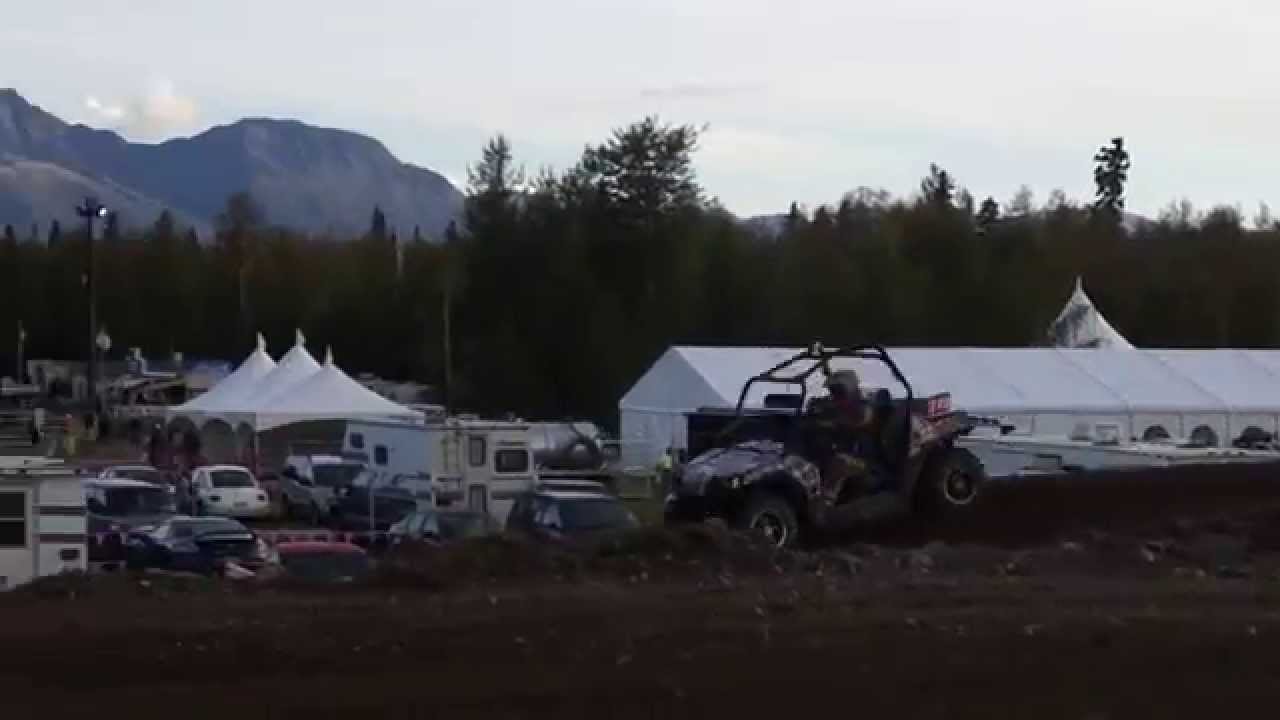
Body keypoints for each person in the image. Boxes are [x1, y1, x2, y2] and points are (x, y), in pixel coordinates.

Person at [812, 370, 878, 503]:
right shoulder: (837, 405)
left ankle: (825, 503)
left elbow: (862, 420)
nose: (835, 396)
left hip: (866, 462)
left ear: (850, 390)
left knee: (840, 462)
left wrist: (834, 424)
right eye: (833, 392)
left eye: (838, 392)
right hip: (844, 452)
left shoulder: (863, 406)